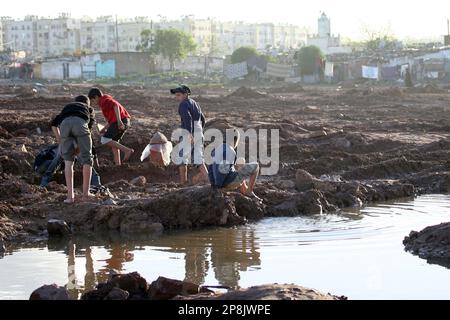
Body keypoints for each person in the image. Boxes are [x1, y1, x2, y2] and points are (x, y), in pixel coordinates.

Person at [52, 95, 94, 203]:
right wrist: (80, 146)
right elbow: (88, 128)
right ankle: (86, 194)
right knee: (87, 159)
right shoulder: (88, 108)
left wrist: (61, 141)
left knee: (68, 162)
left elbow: (53, 125)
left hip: (64, 124)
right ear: (87, 103)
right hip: (80, 123)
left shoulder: (68, 107)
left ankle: (70, 197)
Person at [208, 128, 262, 201]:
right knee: (256, 166)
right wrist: (218, 187)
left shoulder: (216, 149)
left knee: (240, 164)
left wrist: (213, 184)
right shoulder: (230, 150)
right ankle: (249, 192)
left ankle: (244, 189)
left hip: (215, 182)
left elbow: (210, 169)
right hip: (224, 184)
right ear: (235, 140)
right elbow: (223, 171)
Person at [170, 85, 208, 185]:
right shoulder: (195, 103)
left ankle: (183, 182)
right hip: (199, 132)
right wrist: (199, 131)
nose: (177, 97)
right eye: (176, 95)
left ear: (186, 94)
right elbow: (203, 119)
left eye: (179, 95)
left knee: (182, 157)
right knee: (199, 159)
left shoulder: (183, 104)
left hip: (188, 133)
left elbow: (188, 118)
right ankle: (209, 180)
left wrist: (189, 134)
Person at [88, 87, 134, 166]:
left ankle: (127, 150)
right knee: (114, 142)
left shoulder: (104, 100)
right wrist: (104, 129)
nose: (93, 103)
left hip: (121, 121)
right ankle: (118, 164)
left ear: (96, 97)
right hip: (123, 120)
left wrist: (119, 121)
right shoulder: (104, 102)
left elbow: (115, 105)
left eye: (93, 100)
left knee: (104, 139)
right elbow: (110, 121)